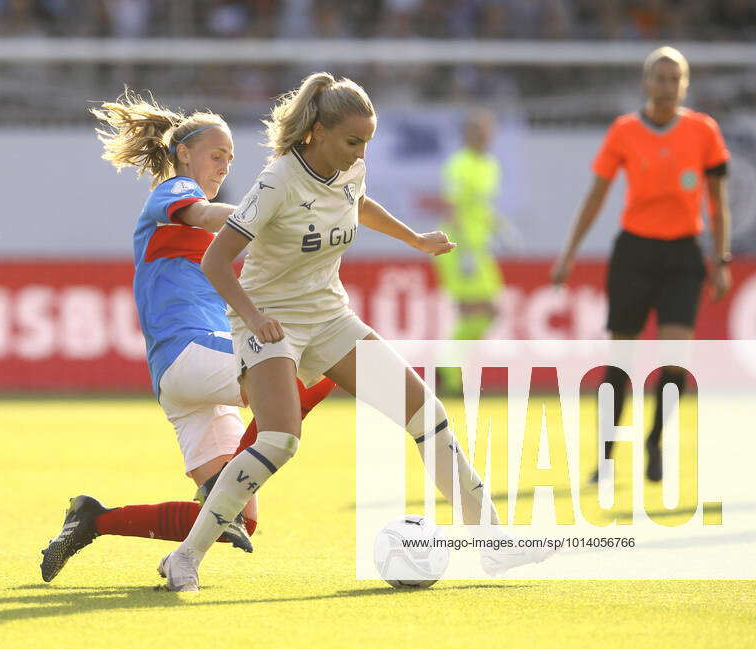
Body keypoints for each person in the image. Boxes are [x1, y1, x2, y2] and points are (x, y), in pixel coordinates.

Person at [159, 72, 555, 592]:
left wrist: (413, 238)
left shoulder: (351, 168)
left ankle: (495, 546)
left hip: (329, 317)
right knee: (279, 440)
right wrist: (254, 318)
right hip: (270, 318)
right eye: (352, 141)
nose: (360, 152)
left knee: (427, 415)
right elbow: (216, 261)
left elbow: (358, 203)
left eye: (367, 141)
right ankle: (186, 557)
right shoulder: (278, 180)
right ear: (317, 131)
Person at [38, 91, 335, 582]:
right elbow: (204, 215)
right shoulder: (173, 191)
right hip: (191, 352)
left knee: (236, 519)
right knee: (312, 375)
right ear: (183, 154)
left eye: (230, 159)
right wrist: (276, 213)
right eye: (216, 156)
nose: (223, 166)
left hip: (186, 376)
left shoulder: (213, 224)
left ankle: (93, 519)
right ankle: (218, 490)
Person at [550, 46, 732, 483]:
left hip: (683, 254)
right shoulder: (625, 131)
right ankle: (607, 456)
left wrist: (721, 259)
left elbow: (718, 202)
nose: (668, 86)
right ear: (646, 83)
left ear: (685, 85)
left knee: (673, 359)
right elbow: (596, 196)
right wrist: (569, 253)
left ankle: (653, 444)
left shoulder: (704, 131)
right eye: (660, 78)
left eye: (676, 79)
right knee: (622, 358)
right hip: (634, 252)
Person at [434, 109, 505, 391]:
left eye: (488, 132)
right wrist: (462, 253)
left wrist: (499, 227)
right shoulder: (458, 165)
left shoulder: (490, 166)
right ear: (467, 135)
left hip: (479, 248)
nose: (485, 137)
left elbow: (481, 207)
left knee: (480, 313)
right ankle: (449, 370)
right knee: (485, 310)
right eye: (479, 132)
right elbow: (451, 209)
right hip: (459, 248)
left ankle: (449, 370)